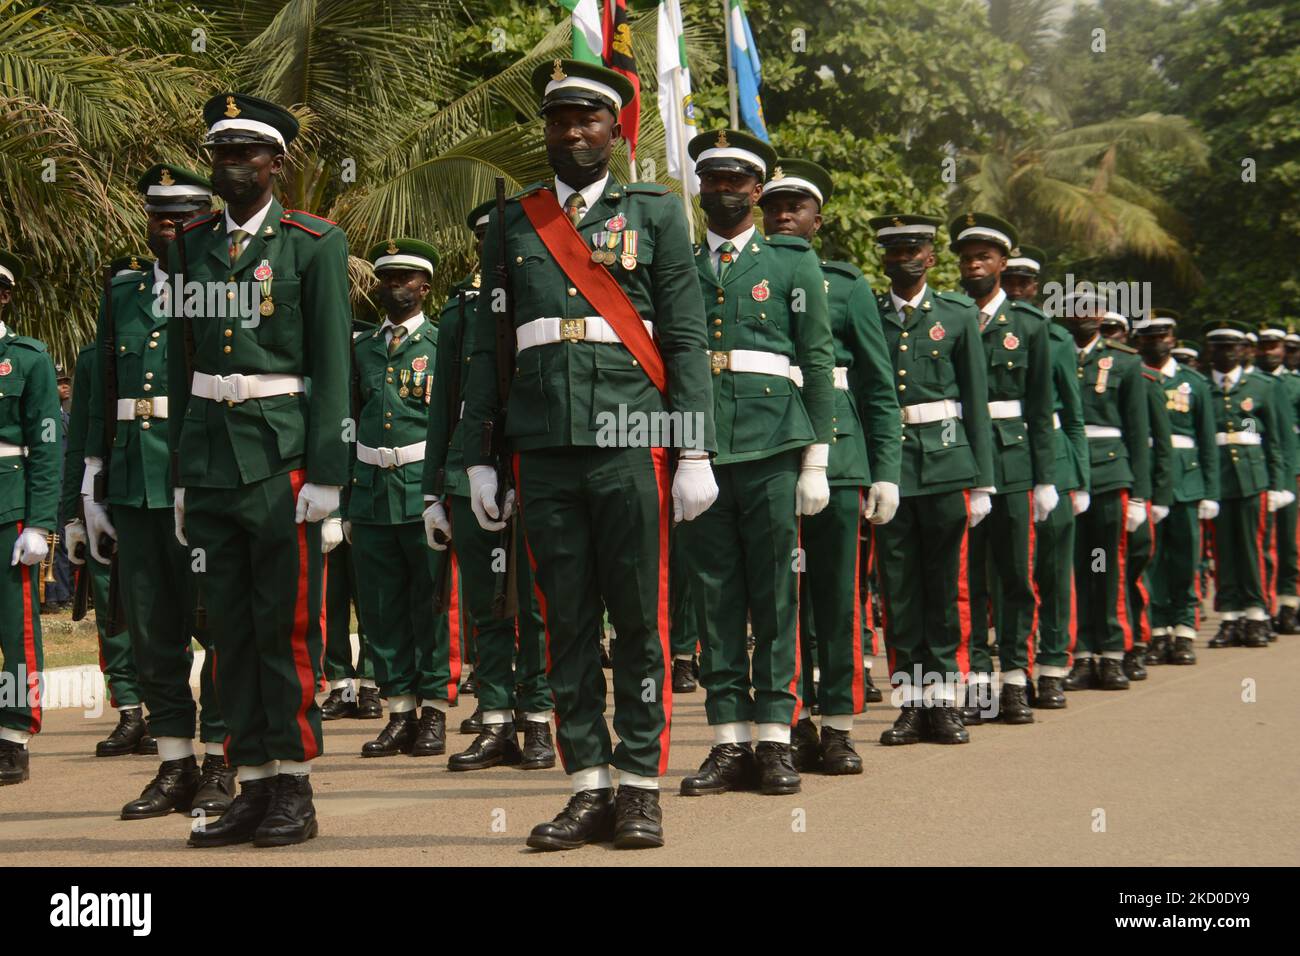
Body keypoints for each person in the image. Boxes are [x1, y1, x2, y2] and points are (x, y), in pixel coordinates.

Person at [460, 60, 717, 851]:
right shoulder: (513, 224)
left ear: (615, 131)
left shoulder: (659, 214)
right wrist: (480, 456)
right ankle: (587, 785)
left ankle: (640, 786)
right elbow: (488, 348)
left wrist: (695, 447)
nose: (572, 133)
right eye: (559, 120)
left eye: (588, 120)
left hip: (633, 442)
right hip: (543, 446)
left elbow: (683, 335)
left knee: (639, 621)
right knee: (564, 623)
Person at [169, 94, 350, 848]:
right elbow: (182, 362)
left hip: (282, 461)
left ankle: (295, 785)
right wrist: (180, 470)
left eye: (247, 152)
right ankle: (250, 781)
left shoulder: (314, 243)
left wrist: (330, 477)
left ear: (278, 163)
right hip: (210, 458)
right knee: (228, 633)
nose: (232, 164)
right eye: (222, 152)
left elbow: (334, 364)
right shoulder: (190, 247)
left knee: (287, 627)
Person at [674, 131, 835, 798]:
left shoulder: (794, 264)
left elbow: (817, 359)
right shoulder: (676, 264)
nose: (724, 190)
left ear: (758, 189)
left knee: (773, 595)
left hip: (772, 445)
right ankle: (726, 741)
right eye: (712, 179)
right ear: (700, 188)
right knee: (715, 598)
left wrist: (816, 458)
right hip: (703, 452)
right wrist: (684, 448)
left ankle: (774, 738)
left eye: (738, 179)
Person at [84, 166, 234, 820]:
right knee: (152, 632)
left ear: (205, 220)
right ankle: (173, 762)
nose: (168, 229)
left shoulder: (224, 289)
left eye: (182, 217)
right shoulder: (122, 293)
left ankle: (221, 761)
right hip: (136, 485)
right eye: (158, 217)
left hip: (203, 485)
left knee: (221, 628)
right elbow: (103, 386)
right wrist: (91, 482)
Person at [758, 158, 900, 773]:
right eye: (775, 205)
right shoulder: (745, 273)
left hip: (837, 456)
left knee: (835, 598)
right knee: (774, 598)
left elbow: (876, 384)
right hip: (765, 449)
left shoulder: (846, 284)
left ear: (820, 218)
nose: (784, 214)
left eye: (797, 206)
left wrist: (885, 468)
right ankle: (786, 722)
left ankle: (838, 723)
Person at [424, 201, 555, 772]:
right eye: (485, 240)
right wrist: (433, 491)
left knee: (538, 603)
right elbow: (442, 410)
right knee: (488, 605)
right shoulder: (458, 317)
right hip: (466, 470)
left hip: (535, 462)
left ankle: (541, 720)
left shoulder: (545, 298)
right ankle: (496, 721)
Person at [868, 214, 995, 745]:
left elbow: (976, 400)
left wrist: (983, 481)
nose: (904, 259)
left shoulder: (958, 315)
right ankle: (910, 702)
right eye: (894, 252)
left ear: (931, 257)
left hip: (946, 467)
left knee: (944, 587)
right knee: (899, 590)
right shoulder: (870, 313)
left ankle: (944, 701)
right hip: (893, 471)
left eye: (914, 250)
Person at [345, 238, 460, 759]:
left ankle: (435, 709)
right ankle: (399, 711)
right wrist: (344, 499)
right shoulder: (361, 348)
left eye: (405, 279)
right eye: (387, 279)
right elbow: (346, 423)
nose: (396, 288)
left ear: (425, 286)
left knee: (431, 603)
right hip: (371, 492)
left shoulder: (441, 345)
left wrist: (447, 491)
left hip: (421, 489)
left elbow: (455, 424)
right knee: (381, 607)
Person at [946, 214, 1055, 726]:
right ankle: (976, 680)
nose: (974, 265)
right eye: (967, 257)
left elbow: (1041, 409)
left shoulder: (1031, 326)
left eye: (984, 257)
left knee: (1015, 575)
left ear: (1002, 263)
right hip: (961, 457)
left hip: (1013, 462)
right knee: (967, 579)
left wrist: (1047, 477)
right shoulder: (946, 316)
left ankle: (1016, 677)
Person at [62, 264, 155, 757]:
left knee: (162, 609)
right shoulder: (91, 359)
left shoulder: (176, 346)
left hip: (155, 491)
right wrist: (73, 515)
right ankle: (129, 712)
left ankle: (164, 712)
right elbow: (79, 439)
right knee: (113, 612)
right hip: (106, 495)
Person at [1003, 245, 1089, 708]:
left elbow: (1072, 417)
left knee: (1054, 572)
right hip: (1004, 459)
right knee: (1010, 574)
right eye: (1009, 278)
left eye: (1024, 282)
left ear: (1035, 287)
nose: (1016, 288)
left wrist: (1080, 480)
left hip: (1053, 461)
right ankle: (1013, 670)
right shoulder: (979, 328)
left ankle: (1053, 666)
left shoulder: (1055, 338)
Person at [1061, 291, 1150, 692]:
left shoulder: (1126, 361)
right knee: (1074, 566)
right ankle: (1081, 652)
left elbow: (1138, 432)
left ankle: (1112, 652)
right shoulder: (1056, 352)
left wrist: (1138, 494)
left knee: (1107, 565)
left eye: (1092, 310)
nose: (1086, 317)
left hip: (1112, 473)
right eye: (1077, 310)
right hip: (1068, 472)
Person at [0, 249, 58, 786]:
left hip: (8, 508)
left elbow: (45, 445)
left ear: (5, 295)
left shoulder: (28, 359)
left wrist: (41, 523)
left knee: (15, 630)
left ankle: (15, 731)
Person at [1134, 310, 1218, 666]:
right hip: (1149, 475)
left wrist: (1210, 491)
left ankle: (1184, 630)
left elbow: (1207, 439)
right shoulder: (1133, 376)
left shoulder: (1193, 383)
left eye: (1163, 334)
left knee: (1185, 559)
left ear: (1174, 338)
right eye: (1150, 336)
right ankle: (1157, 630)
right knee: (1150, 560)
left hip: (1186, 480)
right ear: (1140, 340)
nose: (1157, 341)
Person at [1202, 321, 1291, 648]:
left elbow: (1278, 440)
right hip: (1218, 480)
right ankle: (1229, 617)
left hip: (1254, 478)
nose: (1225, 353)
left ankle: (1257, 615)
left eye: (1232, 347)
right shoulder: (1201, 387)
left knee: (1254, 549)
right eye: (1218, 348)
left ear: (1244, 351)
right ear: (1209, 352)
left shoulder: (1263, 386)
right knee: (1222, 551)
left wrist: (1280, 483)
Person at [1254, 323, 1300, 636]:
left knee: (1290, 540)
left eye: (1276, 346)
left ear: (1283, 349)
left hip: (1294, 466)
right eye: (1265, 345)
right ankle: (1267, 605)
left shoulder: (1294, 384)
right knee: (1265, 540)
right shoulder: (1252, 383)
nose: (1270, 351)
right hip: (1259, 467)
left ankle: (1290, 602)